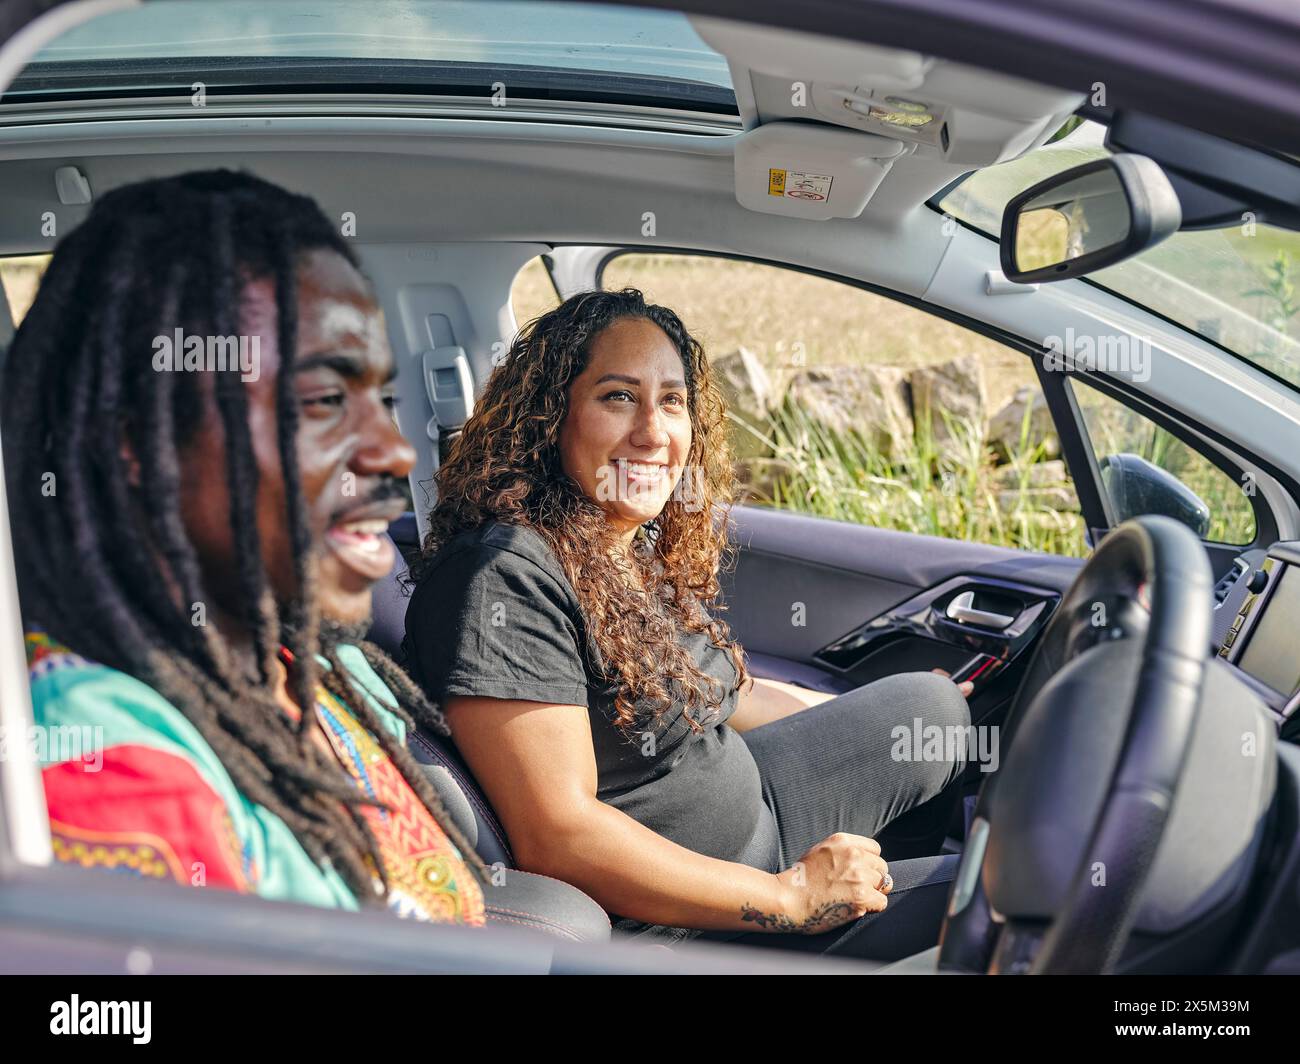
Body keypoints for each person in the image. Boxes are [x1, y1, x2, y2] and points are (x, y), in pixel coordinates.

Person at [404, 288, 972, 959]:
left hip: (758, 808)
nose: (653, 432)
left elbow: (719, 692)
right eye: (618, 397)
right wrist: (792, 899)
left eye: (671, 401)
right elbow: (558, 834)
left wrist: (847, 705)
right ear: (549, 417)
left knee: (930, 713)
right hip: (691, 918)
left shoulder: (616, 541)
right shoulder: (502, 577)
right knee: (993, 899)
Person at [3, 170, 488, 925]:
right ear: (141, 442)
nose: (395, 450)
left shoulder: (303, 663)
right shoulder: (103, 769)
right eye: (326, 400)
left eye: (383, 400)